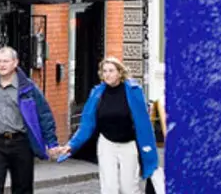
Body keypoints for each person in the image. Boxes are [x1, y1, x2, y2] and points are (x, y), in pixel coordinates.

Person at [51, 57, 159, 194]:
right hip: (107, 143)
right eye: (104, 71)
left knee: (129, 188)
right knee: (109, 188)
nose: (107, 74)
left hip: (128, 144)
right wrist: (71, 145)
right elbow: (86, 124)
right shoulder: (97, 93)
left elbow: (143, 124)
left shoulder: (133, 91)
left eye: (111, 71)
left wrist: (149, 151)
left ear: (120, 73)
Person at [0, 45, 60, 194]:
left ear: (15, 63)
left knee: (22, 187)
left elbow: (44, 115)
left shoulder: (28, 89)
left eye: (6, 61)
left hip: (21, 142)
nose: (2, 65)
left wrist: (51, 142)